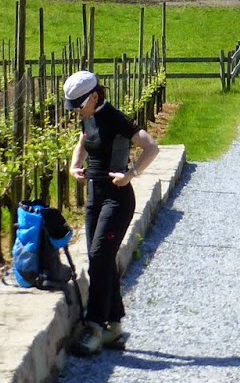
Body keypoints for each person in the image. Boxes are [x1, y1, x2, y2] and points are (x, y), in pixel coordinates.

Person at [65, 70, 160, 356]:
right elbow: (83, 141)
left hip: (117, 200)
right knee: (100, 261)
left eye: (79, 105)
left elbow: (151, 147)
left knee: (98, 257)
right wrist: (74, 166)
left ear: (94, 96)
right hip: (94, 197)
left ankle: (94, 328)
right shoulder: (88, 117)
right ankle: (115, 329)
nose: (77, 112)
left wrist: (130, 174)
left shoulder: (115, 118)